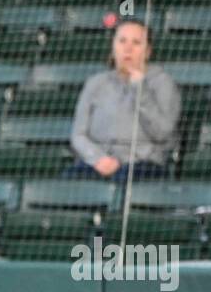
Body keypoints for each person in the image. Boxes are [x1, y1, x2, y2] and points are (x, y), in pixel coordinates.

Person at [66, 18, 180, 182]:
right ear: (113, 48)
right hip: (98, 163)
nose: (128, 49)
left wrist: (140, 89)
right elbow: (78, 134)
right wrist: (98, 158)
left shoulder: (162, 83)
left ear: (147, 51)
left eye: (136, 43)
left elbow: (162, 133)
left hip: (142, 165)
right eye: (122, 41)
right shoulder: (96, 83)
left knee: (125, 179)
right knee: (69, 181)